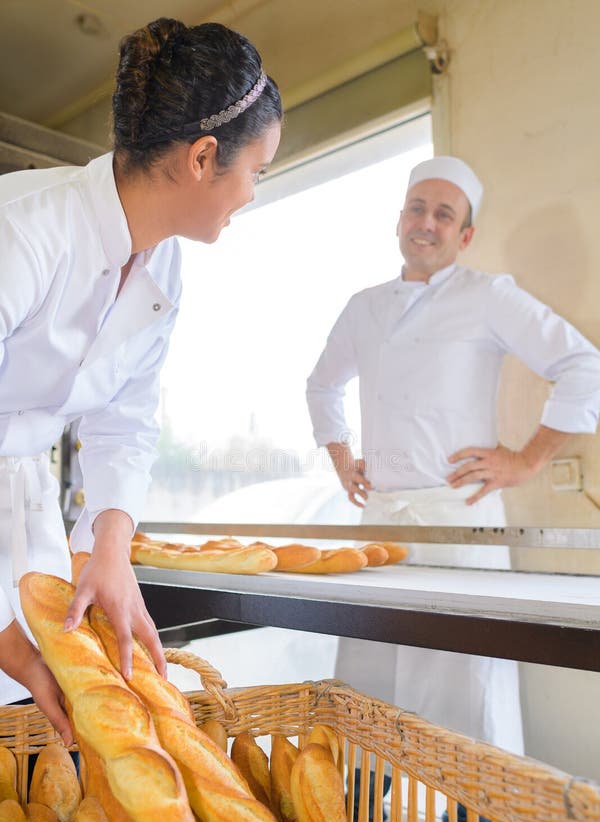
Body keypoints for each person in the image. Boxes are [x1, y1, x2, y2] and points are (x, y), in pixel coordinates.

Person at [0, 17, 282, 726]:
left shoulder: (163, 259)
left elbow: (125, 416)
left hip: (24, 505)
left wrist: (111, 548)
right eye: (257, 171)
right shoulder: (25, 233)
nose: (252, 193)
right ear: (202, 157)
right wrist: (10, 641)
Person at [306, 155, 600, 758]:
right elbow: (322, 385)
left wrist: (527, 459)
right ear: (399, 220)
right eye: (418, 207)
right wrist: (340, 455)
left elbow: (583, 367)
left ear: (464, 235)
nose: (427, 223)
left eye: (445, 214)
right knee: (370, 686)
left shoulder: (490, 296)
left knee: (469, 696)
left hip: (461, 525)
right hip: (382, 527)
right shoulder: (364, 307)